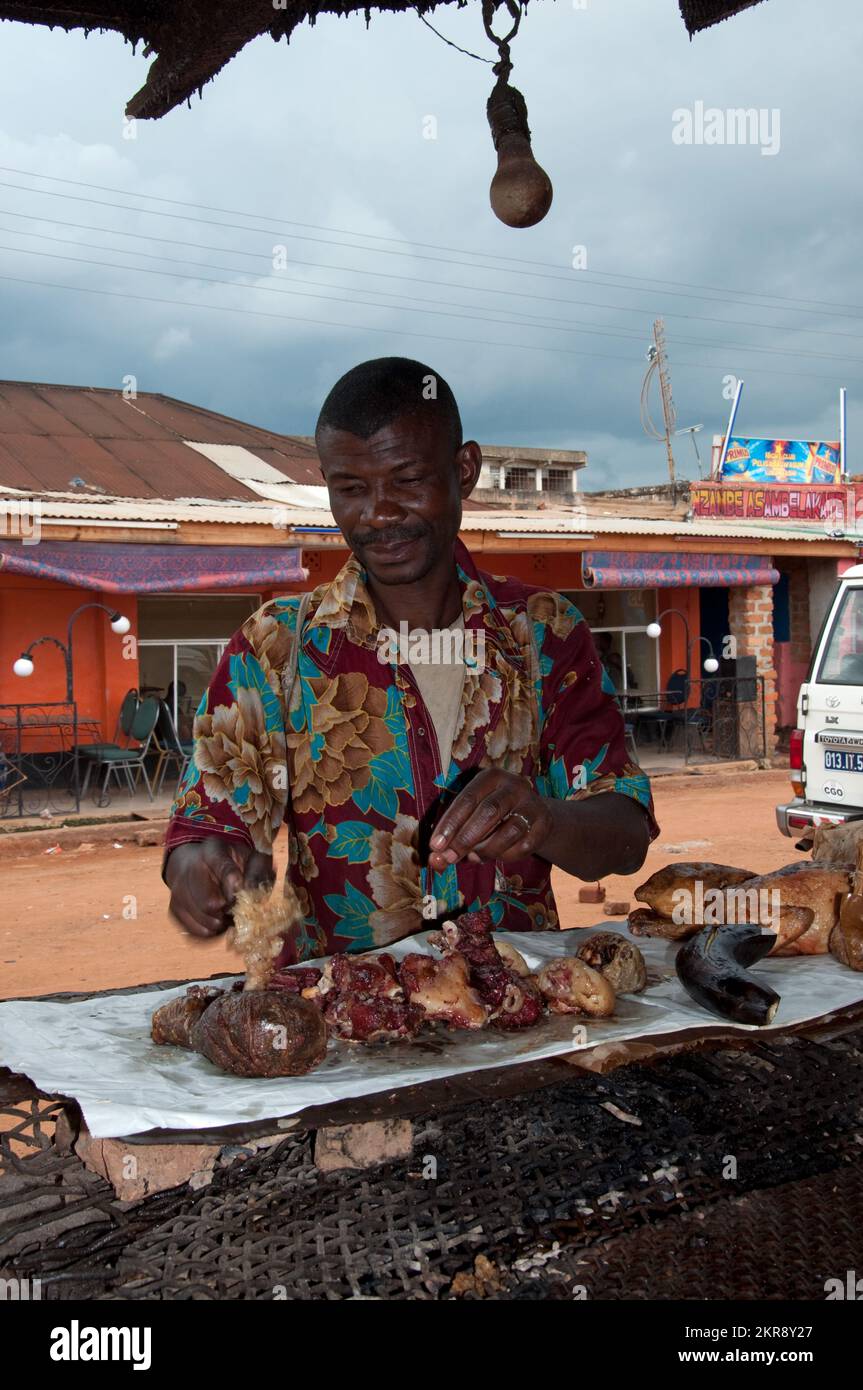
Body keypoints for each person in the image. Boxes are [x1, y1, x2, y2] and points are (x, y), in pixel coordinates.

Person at [164, 357, 657, 964]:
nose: (379, 514)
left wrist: (545, 821)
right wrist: (203, 869)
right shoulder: (274, 648)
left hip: (518, 1025)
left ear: (464, 470)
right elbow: (209, 829)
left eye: (406, 480)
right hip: (341, 1031)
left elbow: (624, 837)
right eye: (350, 489)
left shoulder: (545, 635)